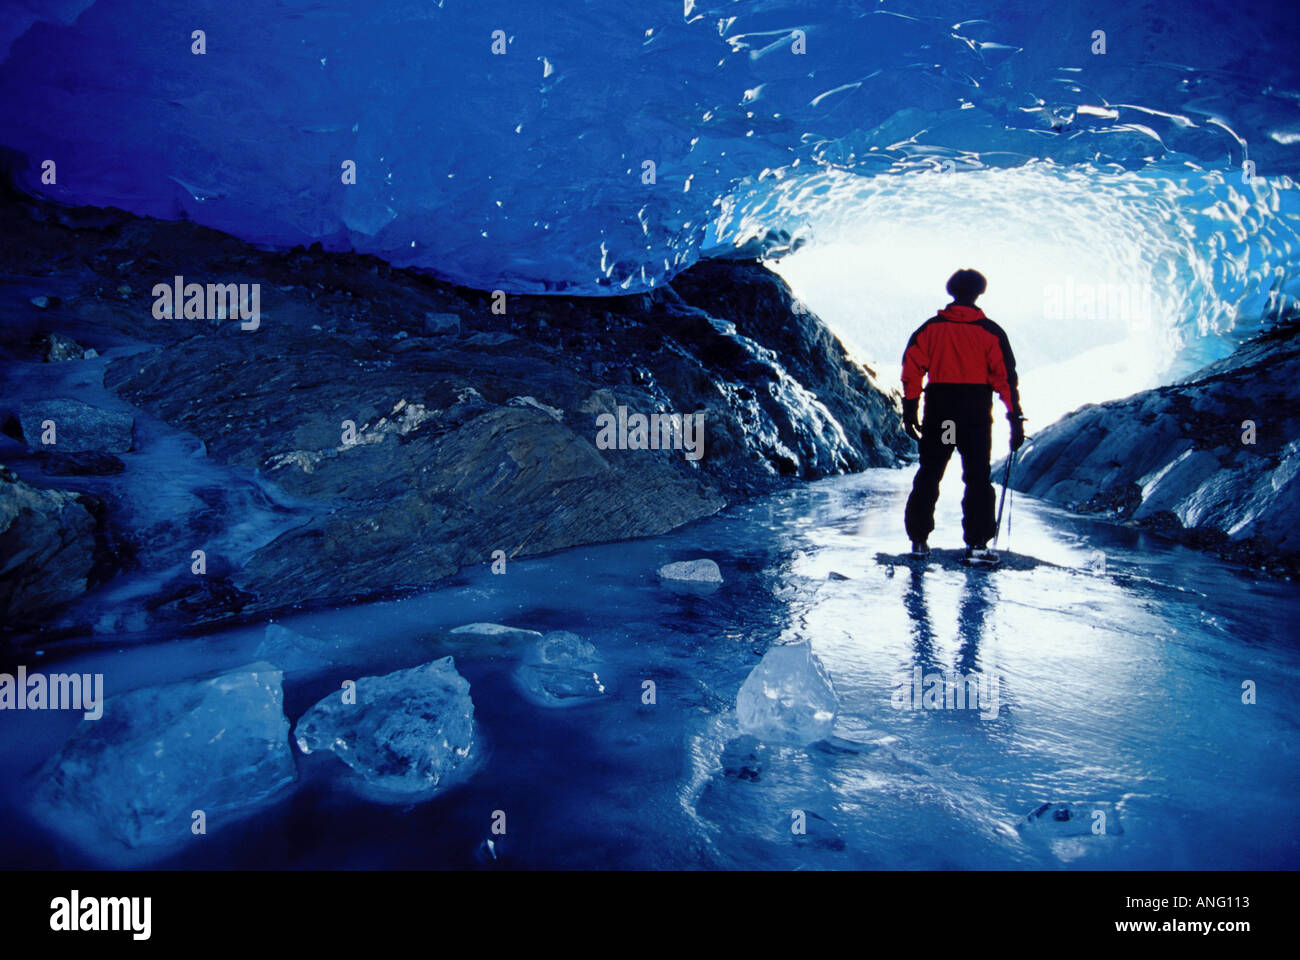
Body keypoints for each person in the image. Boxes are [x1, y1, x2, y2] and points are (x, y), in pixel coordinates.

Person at [900, 269, 1025, 562]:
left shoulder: (930, 329)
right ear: (979, 293)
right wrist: (1014, 418)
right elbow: (1006, 379)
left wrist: (910, 410)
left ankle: (919, 541)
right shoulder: (991, 331)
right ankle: (978, 544)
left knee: (931, 472)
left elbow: (911, 372)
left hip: (943, 413)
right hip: (974, 413)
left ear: (951, 291)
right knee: (977, 477)